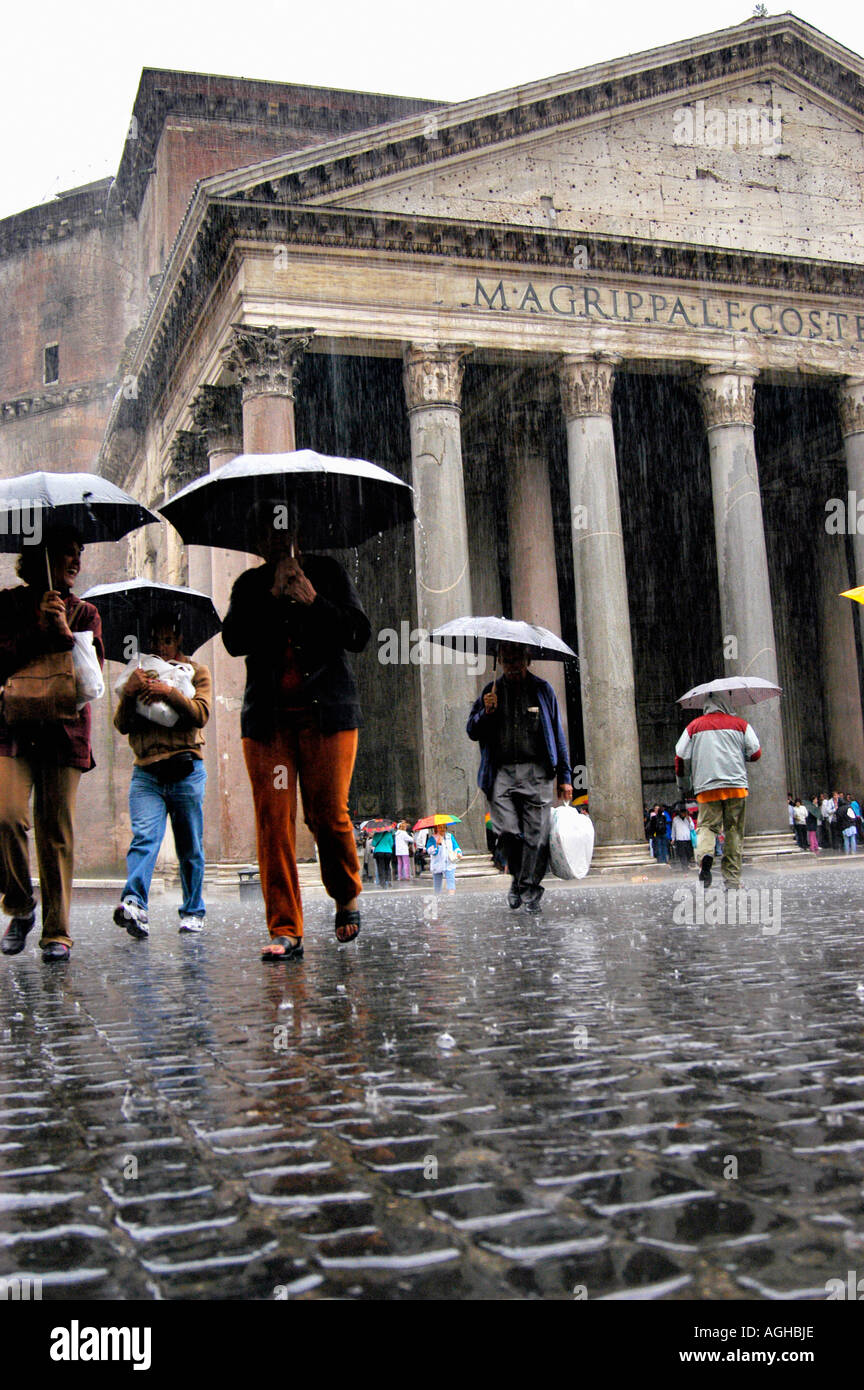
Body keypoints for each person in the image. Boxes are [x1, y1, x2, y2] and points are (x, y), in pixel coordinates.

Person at [221, 514, 370, 960]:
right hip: (271, 726)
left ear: (299, 536)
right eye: (269, 533)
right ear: (261, 542)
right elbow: (233, 640)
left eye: (285, 531)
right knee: (275, 822)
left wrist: (313, 600)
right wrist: (271, 596)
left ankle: (345, 895)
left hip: (327, 718)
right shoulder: (250, 586)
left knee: (327, 814)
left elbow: (358, 634)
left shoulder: (326, 573)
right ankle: (286, 927)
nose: (278, 539)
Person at [0, 528, 103, 962]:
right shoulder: (7, 605)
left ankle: (56, 932)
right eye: (66, 553)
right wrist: (36, 630)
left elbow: (91, 681)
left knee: (55, 832)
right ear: (40, 557)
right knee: (5, 815)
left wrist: (62, 629)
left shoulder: (85, 613)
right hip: (14, 730)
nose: (75, 561)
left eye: (78, 553)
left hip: (64, 733)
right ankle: (21, 905)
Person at [112, 613, 211, 938]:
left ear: (179, 639)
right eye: (155, 641)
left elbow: (200, 714)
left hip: (185, 768)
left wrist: (169, 692)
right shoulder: (139, 671)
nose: (161, 647)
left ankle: (193, 910)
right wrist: (130, 692)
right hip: (146, 771)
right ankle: (134, 904)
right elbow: (122, 724)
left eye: (167, 640)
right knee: (144, 838)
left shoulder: (197, 671)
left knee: (189, 845)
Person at [467, 640, 572, 914]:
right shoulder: (491, 691)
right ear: (499, 661)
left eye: (517, 659)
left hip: (537, 772)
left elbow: (558, 736)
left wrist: (565, 776)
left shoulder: (542, 690)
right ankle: (518, 876)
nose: (512, 665)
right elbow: (472, 730)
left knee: (537, 837)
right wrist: (485, 712)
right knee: (506, 833)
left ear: (527, 660)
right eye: (506, 659)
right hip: (501, 771)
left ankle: (528, 888)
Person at [675, 694, 762, 889]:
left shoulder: (694, 726)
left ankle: (705, 856)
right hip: (736, 786)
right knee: (734, 831)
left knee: (707, 826)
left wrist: (683, 783)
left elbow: (680, 755)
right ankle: (732, 880)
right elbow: (756, 752)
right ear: (726, 704)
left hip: (707, 787)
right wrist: (742, 755)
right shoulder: (741, 724)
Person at [429, 824, 462, 894]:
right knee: (437, 884)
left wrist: (458, 852)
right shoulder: (432, 838)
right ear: (436, 829)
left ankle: (451, 897)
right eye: (440, 827)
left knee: (451, 881)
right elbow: (430, 851)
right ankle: (437, 898)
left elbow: (455, 846)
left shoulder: (449, 836)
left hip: (449, 863)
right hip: (437, 864)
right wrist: (437, 845)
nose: (442, 829)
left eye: (444, 827)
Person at [670, 805, 694, 871]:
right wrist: (673, 838)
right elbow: (673, 829)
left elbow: (692, 828)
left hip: (687, 838)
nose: (683, 814)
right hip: (680, 839)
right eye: (682, 812)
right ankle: (684, 866)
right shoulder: (675, 819)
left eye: (685, 812)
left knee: (689, 853)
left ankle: (687, 864)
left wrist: (689, 820)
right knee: (682, 854)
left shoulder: (689, 818)